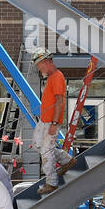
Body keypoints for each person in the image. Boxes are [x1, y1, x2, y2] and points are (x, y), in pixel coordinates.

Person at [31, 48, 73, 195]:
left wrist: (54, 124)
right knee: (38, 145)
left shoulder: (57, 77)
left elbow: (60, 101)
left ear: (45, 62)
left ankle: (51, 183)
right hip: (45, 121)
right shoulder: (52, 77)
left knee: (46, 151)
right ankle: (66, 160)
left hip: (50, 122)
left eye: (39, 65)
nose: (39, 68)